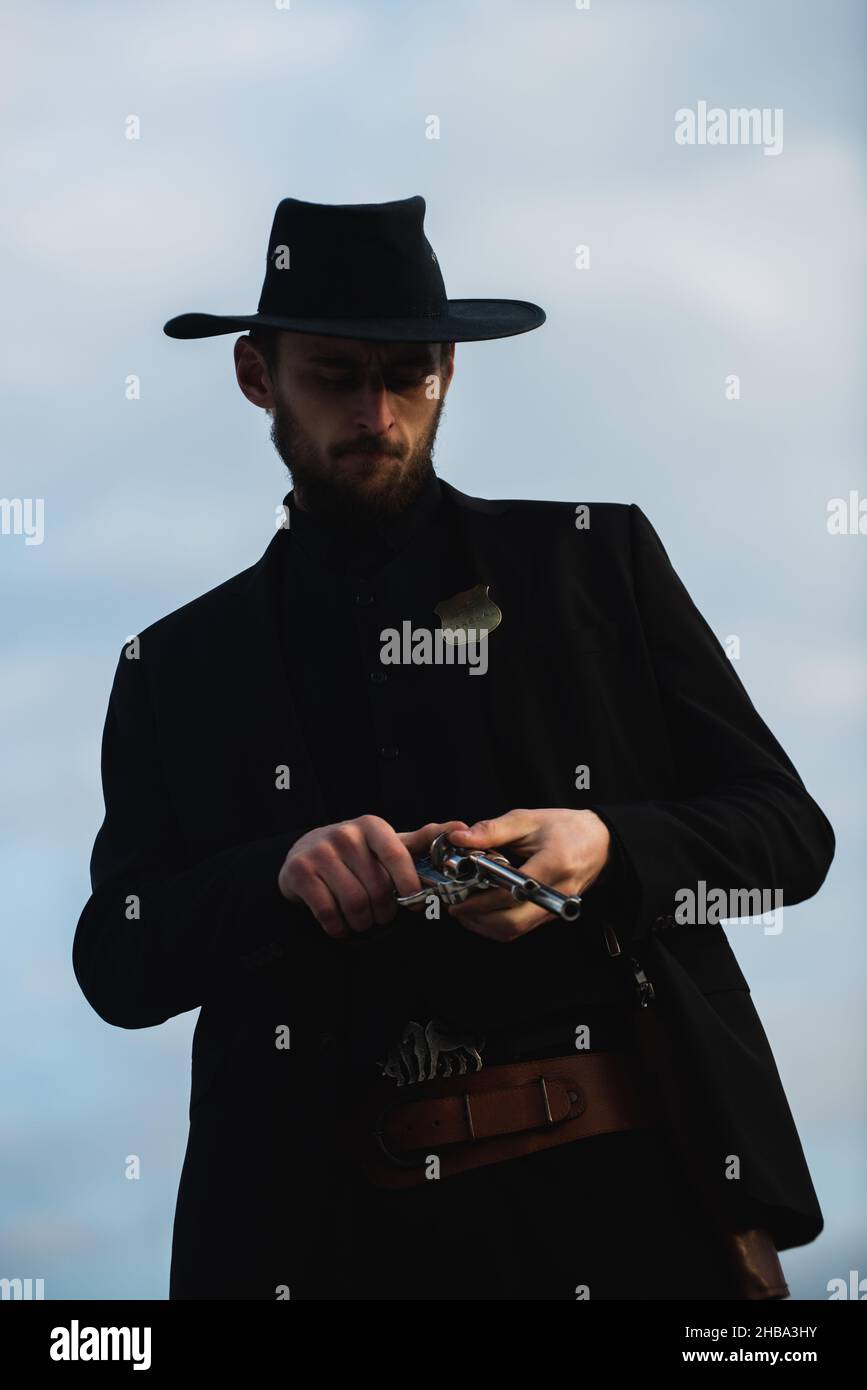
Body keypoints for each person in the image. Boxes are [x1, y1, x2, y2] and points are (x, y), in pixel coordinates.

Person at [73, 195, 834, 1300]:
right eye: (335, 375)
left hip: (635, 1217)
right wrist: (276, 879)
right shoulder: (172, 666)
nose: (379, 412)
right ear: (256, 374)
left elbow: (788, 840)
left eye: (411, 374)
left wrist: (606, 845)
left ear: (448, 372)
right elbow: (117, 960)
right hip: (315, 1247)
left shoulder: (594, 563)